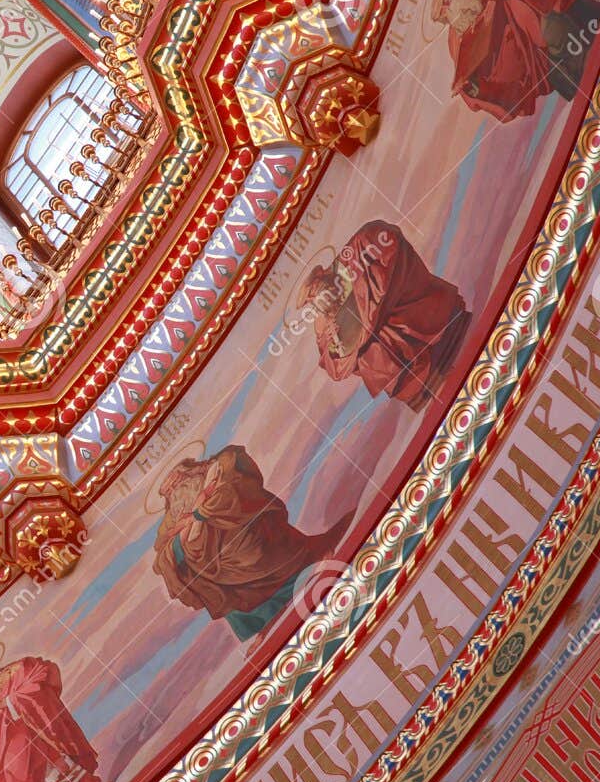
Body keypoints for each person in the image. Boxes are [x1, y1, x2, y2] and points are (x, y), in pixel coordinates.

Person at [153, 445, 351, 642]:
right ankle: (267, 624)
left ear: (189, 469)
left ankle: (307, 567)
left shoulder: (221, 464)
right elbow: (163, 551)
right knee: (212, 582)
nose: (175, 488)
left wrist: (200, 513)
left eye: (176, 479)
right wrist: (182, 541)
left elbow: (234, 488)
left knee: (249, 552)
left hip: (246, 531)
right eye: (169, 490)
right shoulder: (172, 515)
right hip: (217, 564)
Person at [432, 0, 599, 122]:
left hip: (548, 8)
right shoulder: (460, 42)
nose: (470, 17)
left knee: (553, 29)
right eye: (463, 17)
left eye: (466, 10)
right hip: (543, 61)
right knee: (566, 59)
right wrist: (481, 90)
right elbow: (500, 87)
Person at [298, 220, 470, 408]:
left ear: (322, 273)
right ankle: (436, 388)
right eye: (312, 298)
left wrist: (371, 307)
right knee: (373, 355)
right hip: (395, 361)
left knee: (384, 341)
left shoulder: (357, 248)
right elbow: (335, 367)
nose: (316, 298)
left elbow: (388, 238)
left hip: (406, 309)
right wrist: (335, 347)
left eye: (315, 289)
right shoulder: (323, 321)